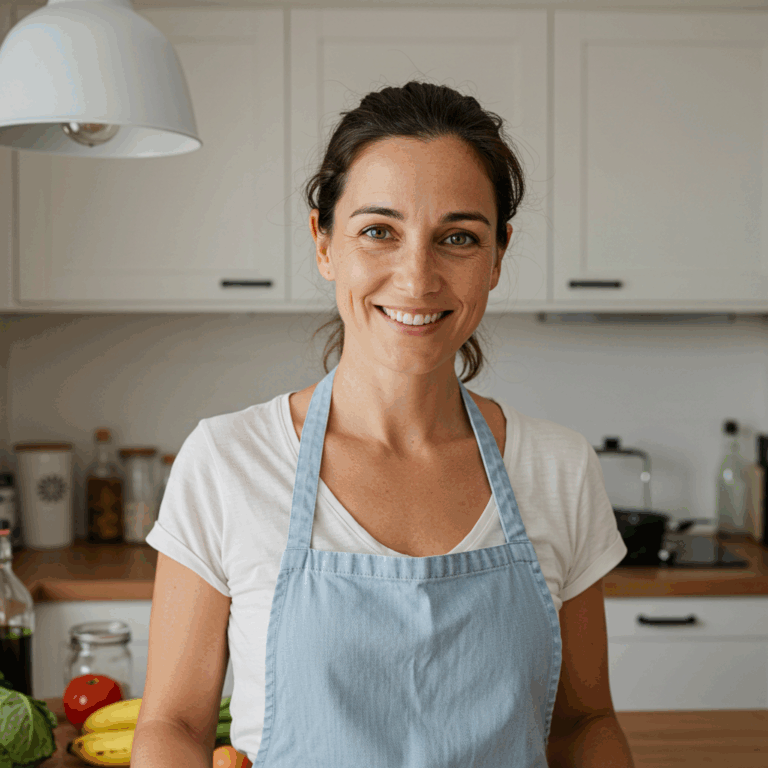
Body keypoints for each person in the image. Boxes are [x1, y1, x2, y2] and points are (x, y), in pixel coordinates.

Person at [132, 81, 635, 768]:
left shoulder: (559, 467)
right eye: (379, 231)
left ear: (497, 257)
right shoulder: (227, 461)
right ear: (324, 242)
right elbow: (174, 728)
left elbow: (584, 724)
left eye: (458, 237)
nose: (417, 275)